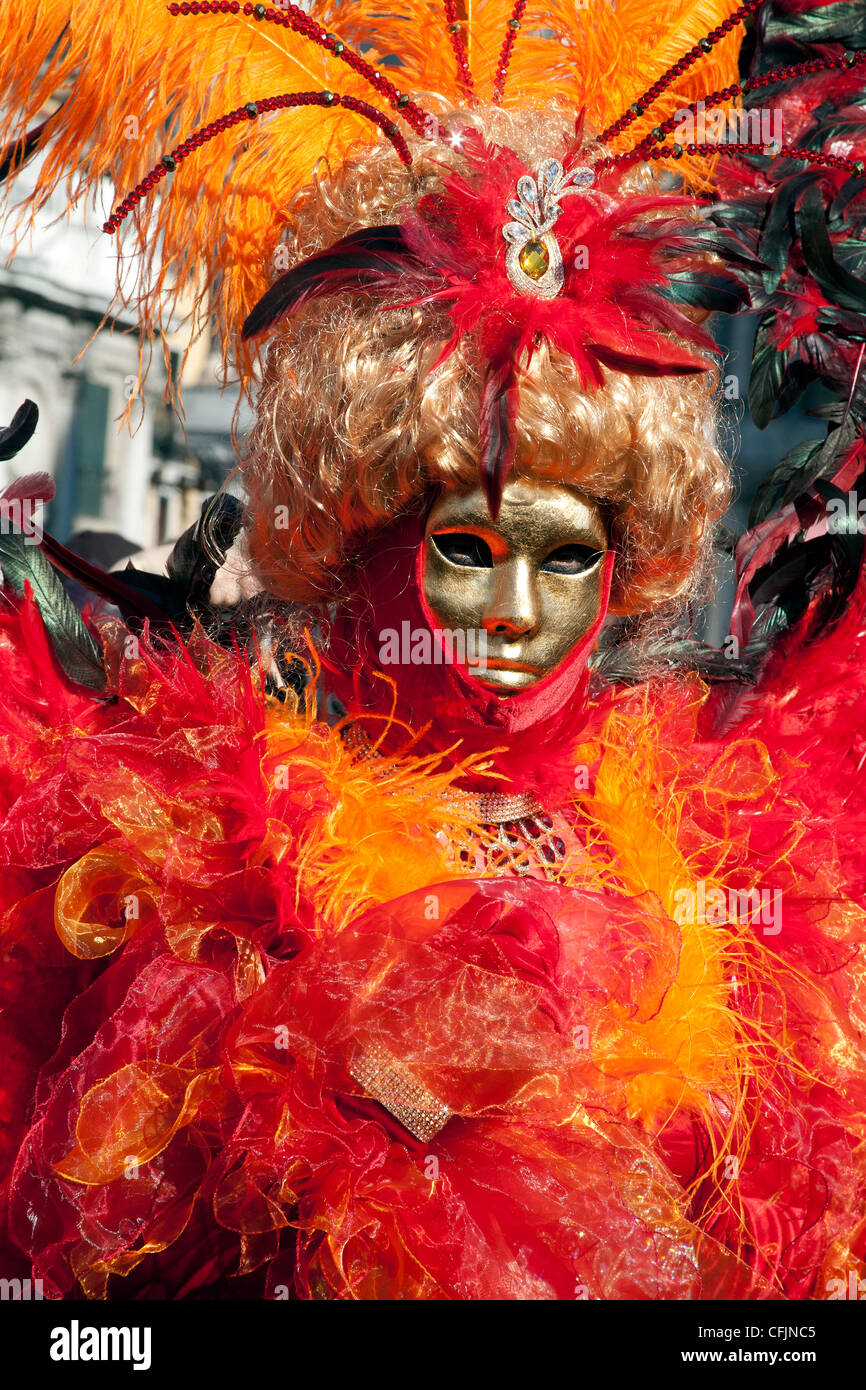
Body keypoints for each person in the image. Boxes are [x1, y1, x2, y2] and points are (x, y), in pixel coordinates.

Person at [0, 0, 865, 1300]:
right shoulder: (202, 851)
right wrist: (377, 1091)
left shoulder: (725, 846)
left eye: (568, 554)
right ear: (363, 553)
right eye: (465, 548)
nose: (517, 607)